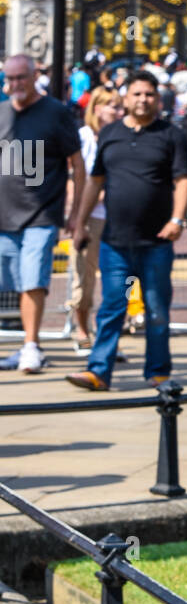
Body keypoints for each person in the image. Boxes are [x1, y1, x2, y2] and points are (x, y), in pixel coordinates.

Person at [66, 70, 187, 391]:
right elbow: (95, 182)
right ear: (126, 97)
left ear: (157, 98)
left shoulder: (172, 135)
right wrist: (79, 223)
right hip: (114, 241)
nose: (143, 100)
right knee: (111, 308)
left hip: (157, 241)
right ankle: (99, 371)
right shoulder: (109, 134)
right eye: (136, 94)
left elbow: (180, 181)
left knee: (157, 310)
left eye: (149, 94)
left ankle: (158, 372)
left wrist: (177, 219)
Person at [0, 54, 84, 373]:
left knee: (33, 280)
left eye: (20, 78)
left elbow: (77, 164)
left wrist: (75, 212)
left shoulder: (56, 113)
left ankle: (32, 345)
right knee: (16, 283)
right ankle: (25, 344)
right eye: (9, 78)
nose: (14, 85)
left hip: (41, 214)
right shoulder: (2, 112)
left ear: (35, 76)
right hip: (4, 216)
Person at [67, 86, 125, 352]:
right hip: (90, 216)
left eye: (119, 106)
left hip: (119, 216)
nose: (118, 111)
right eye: (113, 105)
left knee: (118, 279)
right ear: (98, 108)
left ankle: (110, 335)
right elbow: (75, 176)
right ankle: (81, 327)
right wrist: (76, 214)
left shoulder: (121, 136)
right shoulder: (83, 137)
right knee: (84, 275)